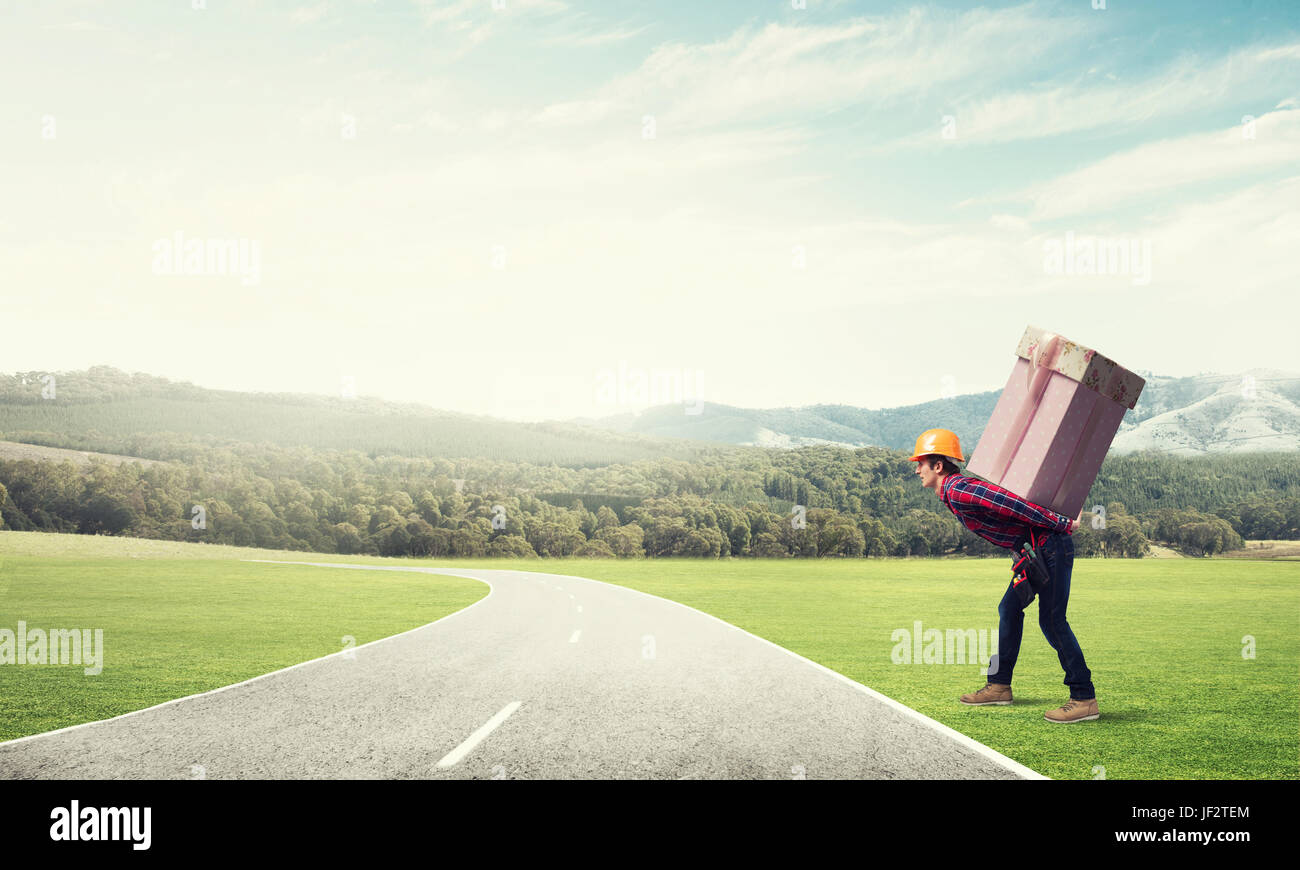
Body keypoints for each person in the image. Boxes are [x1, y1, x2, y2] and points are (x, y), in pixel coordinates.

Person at [908, 428, 1099, 724]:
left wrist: (1061, 523)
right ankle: (999, 686)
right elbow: (1006, 521)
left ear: (938, 465)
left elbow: (1011, 503)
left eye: (920, 462)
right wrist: (1019, 554)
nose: (916, 468)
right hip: (1034, 551)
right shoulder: (952, 493)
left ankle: (1084, 697)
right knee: (1009, 608)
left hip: (1050, 545)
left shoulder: (959, 489)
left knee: (1052, 620)